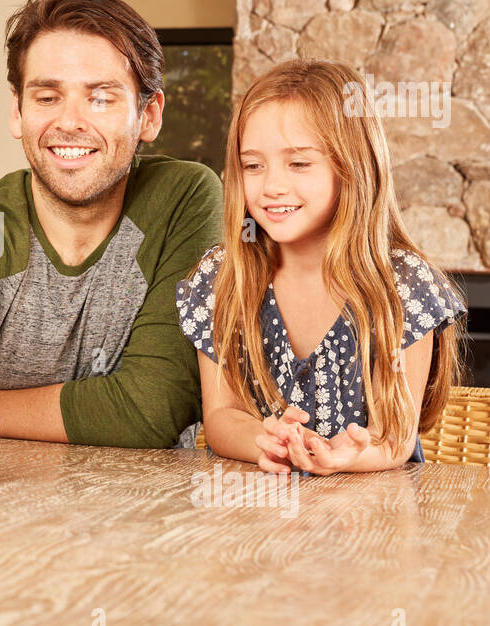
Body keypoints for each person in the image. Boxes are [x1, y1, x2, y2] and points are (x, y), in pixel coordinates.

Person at [0, 0, 223, 447]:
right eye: (47, 97)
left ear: (149, 114)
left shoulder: (184, 196)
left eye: (101, 97)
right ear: (17, 111)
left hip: (140, 513)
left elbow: (151, 408)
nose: (70, 121)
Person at [175, 58, 467, 474]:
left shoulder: (404, 285)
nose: (272, 185)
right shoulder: (222, 280)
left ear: (352, 168)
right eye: (253, 165)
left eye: (299, 163)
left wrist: (351, 455)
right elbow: (222, 417)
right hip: (256, 520)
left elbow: (396, 437)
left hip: (374, 519)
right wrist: (266, 442)